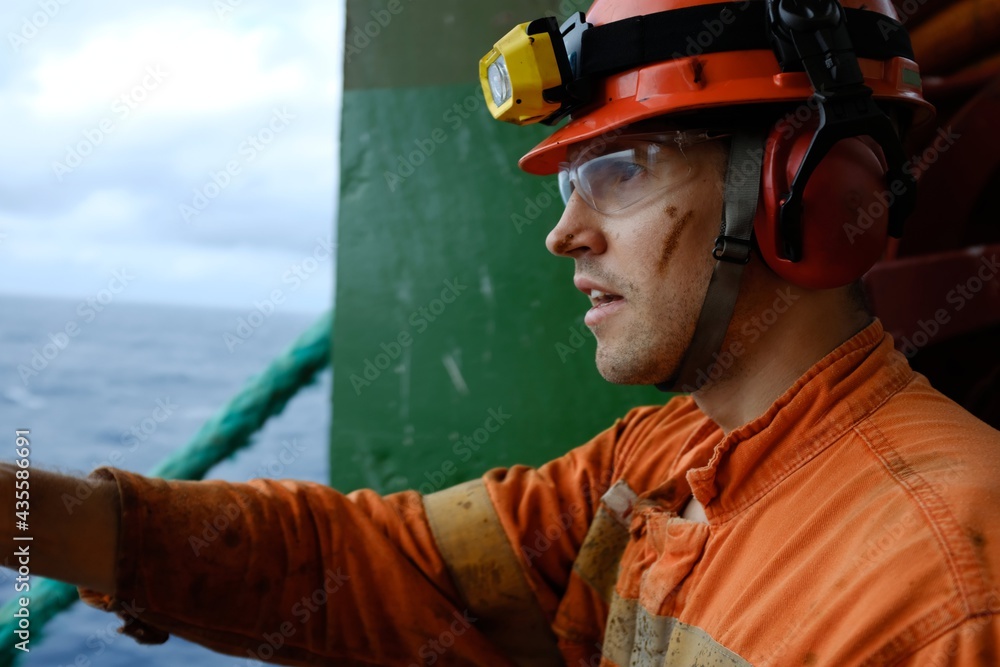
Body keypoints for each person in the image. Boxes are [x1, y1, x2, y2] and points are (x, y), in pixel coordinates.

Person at [4, 0, 1000, 664]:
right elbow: (377, 568)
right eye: (573, 181)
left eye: (623, 170)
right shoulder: (670, 453)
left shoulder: (947, 580)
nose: (564, 231)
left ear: (805, 187)